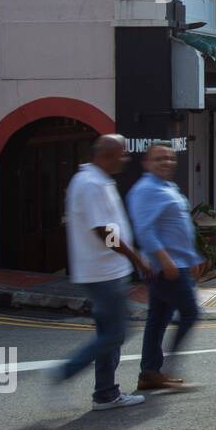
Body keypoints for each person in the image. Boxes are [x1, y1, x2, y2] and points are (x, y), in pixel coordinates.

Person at [56, 134, 151, 410]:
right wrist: (135, 258)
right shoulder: (91, 184)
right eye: (122, 154)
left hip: (107, 270)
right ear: (106, 155)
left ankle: (106, 392)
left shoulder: (97, 180)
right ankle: (66, 371)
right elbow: (103, 231)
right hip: (102, 272)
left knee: (110, 333)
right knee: (115, 333)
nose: (126, 158)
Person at [128, 143, 204, 391]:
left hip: (178, 263)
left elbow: (177, 226)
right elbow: (145, 230)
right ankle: (165, 370)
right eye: (159, 158)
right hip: (167, 267)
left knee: (158, 318)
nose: (166, 162)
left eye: (170, 158)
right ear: (146, 163)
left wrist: (191, 258)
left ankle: (150, 373)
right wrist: (166, 260)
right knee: (190, 313)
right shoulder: (145, 189)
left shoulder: (168, 187)